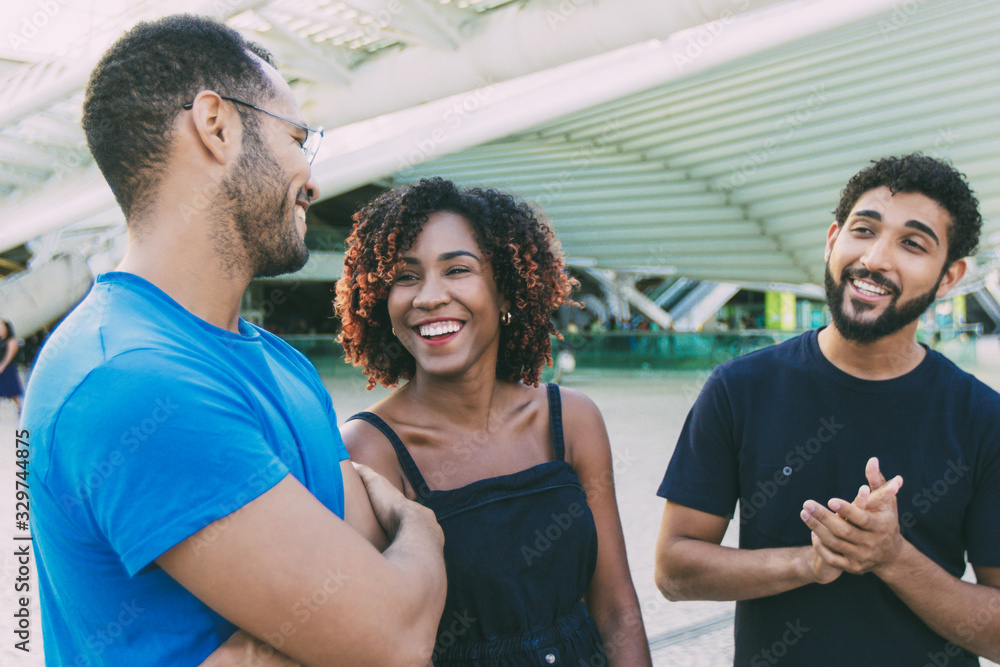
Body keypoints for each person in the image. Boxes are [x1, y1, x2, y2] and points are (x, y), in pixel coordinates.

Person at [22, 15, 445, 666]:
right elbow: (394, 638)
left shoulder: (284, 365)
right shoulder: (126, 378)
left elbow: (370, 598)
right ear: (216, 126)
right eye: (298, 138)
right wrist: (424, 525)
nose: (312, 178)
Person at [654, 154, 1000, 665]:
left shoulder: (982, 419)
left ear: (949, 277)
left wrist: (892, 557)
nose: (877, 258)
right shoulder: (740, 388)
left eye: (912, 243)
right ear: (833, 239)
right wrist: (809, 563)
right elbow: (673, 570)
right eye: (864, 230)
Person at [335, 178, 652, 666]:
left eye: (457, 269)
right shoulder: (367, 449)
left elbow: (615, 607)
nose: (429, 297)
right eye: (406, 276)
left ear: (507, 292)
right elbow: (377, 643)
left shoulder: (572, 420)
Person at [0, 319, 23, 413]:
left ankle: (20, 408)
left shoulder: (11, 341)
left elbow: (10, 355)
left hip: (8, 368)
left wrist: (2, 366)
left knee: (12, 391)